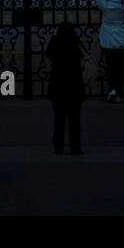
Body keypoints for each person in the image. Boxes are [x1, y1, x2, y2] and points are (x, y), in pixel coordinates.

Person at [45, 22, 84, 155]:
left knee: (59, 120)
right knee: (74, 120)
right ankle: (75, 146)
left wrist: (55, 37)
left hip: (58, 86)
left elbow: (48, 53)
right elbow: (82, 57)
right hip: (74, 86)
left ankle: (58, 147)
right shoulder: (75, 42)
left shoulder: (55, 43)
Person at [96, 0, 124, 102]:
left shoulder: (105, 5)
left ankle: (112, 90)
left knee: (110, 68)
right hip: (123, 41)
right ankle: (119, 92)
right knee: (121, 68)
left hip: (108, 41)